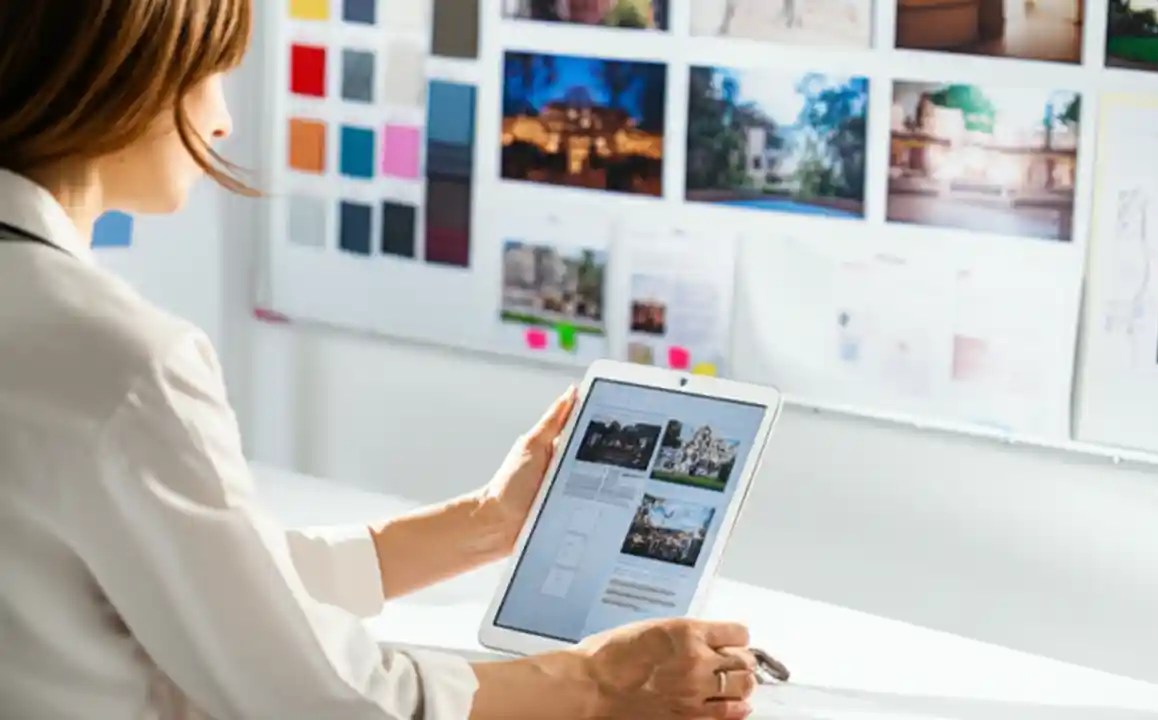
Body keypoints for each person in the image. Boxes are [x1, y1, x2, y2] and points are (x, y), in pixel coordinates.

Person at [0, 2, 759, 719]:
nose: (224, 119)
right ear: (121, 72)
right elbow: (320, 697)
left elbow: (210, 581)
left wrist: (484, 524)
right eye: (209, 74)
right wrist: (593, 683)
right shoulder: (125, 365)